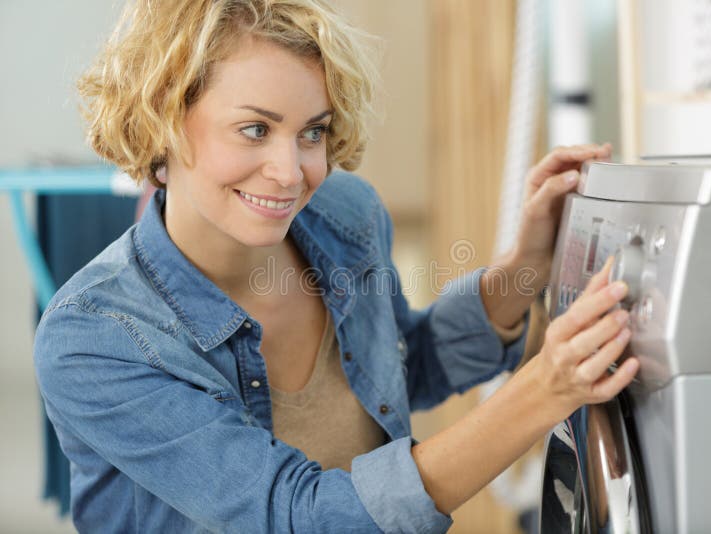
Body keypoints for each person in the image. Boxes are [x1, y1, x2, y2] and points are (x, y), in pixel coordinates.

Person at [32, 0, 639, 532]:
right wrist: (545, 390)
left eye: (312, 132)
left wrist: (527, 265)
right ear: (162, 117)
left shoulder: (343, 217)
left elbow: (404, 366)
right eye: (255, 129)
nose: (290, 172)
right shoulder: (95, 338)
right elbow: (297, 517)